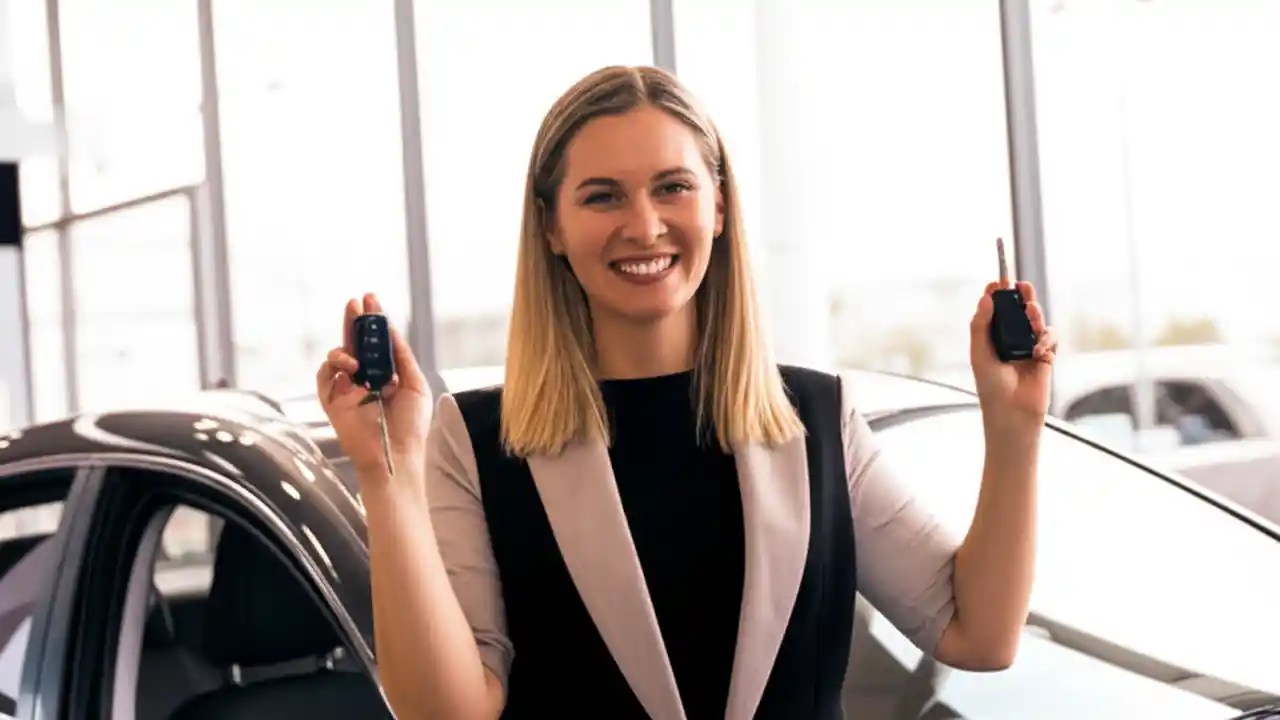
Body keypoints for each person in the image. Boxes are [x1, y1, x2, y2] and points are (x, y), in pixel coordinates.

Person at [316, 65, 1057, 720]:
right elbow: (446, 711)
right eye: (602, 197)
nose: (644, 226)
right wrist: (387, 474)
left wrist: (1015, 429)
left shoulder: (817, 416)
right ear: (551, 227)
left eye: (672, 187)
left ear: (719, 207)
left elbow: (979, 635)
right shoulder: (477, 440)